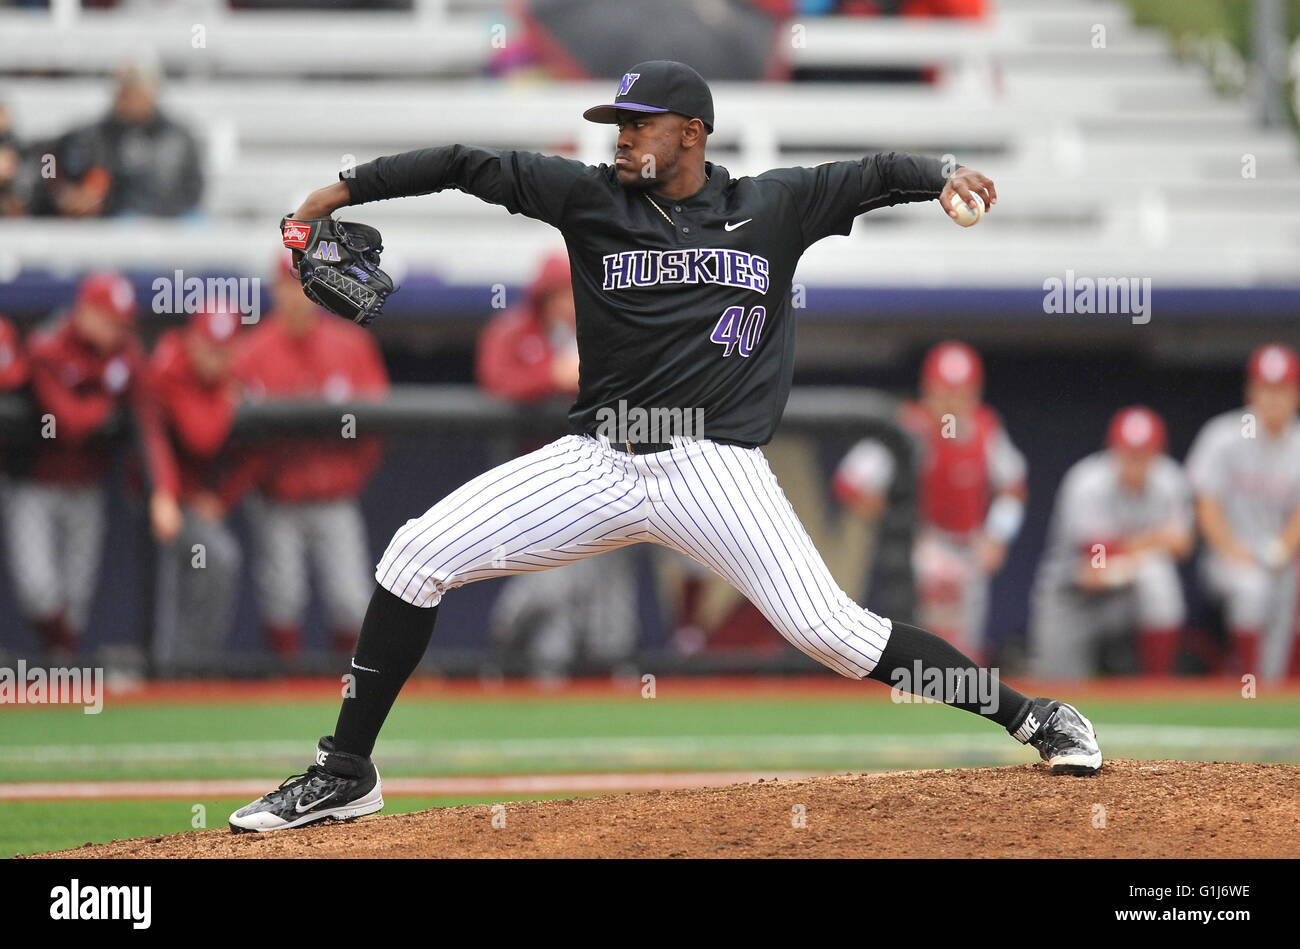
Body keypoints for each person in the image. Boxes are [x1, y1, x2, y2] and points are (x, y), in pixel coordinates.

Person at [230, 60, 1101, 833]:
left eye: (637, 125)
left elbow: (873, 173)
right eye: (615, 125)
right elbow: (464, 164)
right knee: (414, 554)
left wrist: (944, 174)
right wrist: (334, 193)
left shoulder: (769, 205)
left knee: (834, 631)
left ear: (691, 132)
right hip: (600, 459)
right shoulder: (589, 198)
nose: (619, 139)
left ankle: (1033, 717)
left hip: (712, 466)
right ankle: (345, 770)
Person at [477, 252, 639, 680]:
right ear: (543, 297)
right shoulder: (514, 330)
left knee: (598, 584)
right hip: (535, 481)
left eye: (574, 293)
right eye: (560, 295)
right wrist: (553, 375)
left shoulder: (602, 330)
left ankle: (589, 669)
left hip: (603, 475)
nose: (568, 303)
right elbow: (497, 382)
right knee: (554, 579)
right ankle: (506, 642)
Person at [2, 273, 180, 658]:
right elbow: (69, 423)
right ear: (85, 313)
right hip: (35, 483)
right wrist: (109, 401)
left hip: (88, 485)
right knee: (38, 588)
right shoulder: (47, 346)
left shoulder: (125, 352)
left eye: (123, 323)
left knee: (76, 594)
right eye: (110, 320)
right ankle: (58, 655)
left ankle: (63, 668)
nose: (118, 331)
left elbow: (148, 420)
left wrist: (163, 490)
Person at [233, 258, 390, 661]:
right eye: (287, 286)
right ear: (274, 291)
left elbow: (378, 423)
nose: (297, 295)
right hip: (277, 499)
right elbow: (238, 439)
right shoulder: (251, 353)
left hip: (334, 497)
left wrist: (350, 475)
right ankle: (288, 686)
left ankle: (347, 686)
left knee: (350, 599)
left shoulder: (350, 344)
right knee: (282, 596)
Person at [832, 341, 1026, 664]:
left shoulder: (985, 428)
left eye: (961, 393)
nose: (952, 403)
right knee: (926, 647)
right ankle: (913, 704)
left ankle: (958, 708)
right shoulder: (908, 427)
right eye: (944, 393)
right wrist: (903, 527)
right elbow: (850, 485)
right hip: (924, 547)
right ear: (928, 391)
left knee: (966, 653)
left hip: (970, 548)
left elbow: (1013, 486)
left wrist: (997, 536)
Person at [1029, 407, 1193, 678]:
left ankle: (1158, 686)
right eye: (1128, 454)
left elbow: (1182, 546)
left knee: (1157, 575)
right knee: (1062, 690)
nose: (1135, 463)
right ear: (1113, 450)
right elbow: (1097, 562)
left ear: (1158, 452)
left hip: (1127, 600)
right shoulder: (1087, 482)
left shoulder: (1170, 479)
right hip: (1072, 598)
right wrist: (1153, 539)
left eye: (1144, 454)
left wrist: (1134, 550)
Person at [1186, 343, 1300, 681]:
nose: (1274, 398)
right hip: (1228, 558)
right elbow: (1206, 507)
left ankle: (1278, 686)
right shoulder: (1223, 435)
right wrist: (1237, 552)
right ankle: (1250, 685)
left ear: (1295, 393)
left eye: (1282, 389)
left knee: (1286, 585)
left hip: (1285, 557)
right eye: (1267, 388)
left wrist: (1282, 551)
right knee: (1253, 589)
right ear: (1252, 391)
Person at [149, 306, 248, 675]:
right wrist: (164, 493)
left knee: (216, 561)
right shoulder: (168, 364)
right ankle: (167, 674)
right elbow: (198, 436)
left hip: (200, 498)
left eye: (223, 351)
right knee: (176, 574)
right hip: (159, 497)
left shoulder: (242, 371)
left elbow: (260, 452)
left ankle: (194, 672)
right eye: (208, 348)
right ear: (192, 341)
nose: (214, 360)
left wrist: (225, 498)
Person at [35, 60, 203, 218]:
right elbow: (49, 157)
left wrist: (164, 215)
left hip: (176, 216)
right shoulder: (98, 135)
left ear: (152, 92)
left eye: (135, 91)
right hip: (124, 216)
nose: (127, 98)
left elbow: (193, 187)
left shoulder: (179, 136)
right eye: (124, 91)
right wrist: (63, 193)